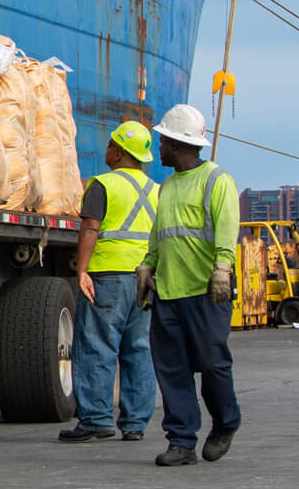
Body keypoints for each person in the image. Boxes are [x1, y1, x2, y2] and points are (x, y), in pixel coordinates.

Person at [135, 104, 241, 467]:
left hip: (207, 292)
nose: (158, 148)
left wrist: (223, 269)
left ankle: (226, 423)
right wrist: (148, 266)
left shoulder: (216, 180)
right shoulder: (167, 187)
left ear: (176, 144)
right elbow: (159, 235)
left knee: (213, 365)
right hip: (168, 294)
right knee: (173, 371)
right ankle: (181, 442)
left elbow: (227, 227)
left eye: (162, 141)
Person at [59, 121, 159, 443]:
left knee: (96, 347)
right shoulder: (157, 190)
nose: (106, 150)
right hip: (144, 277)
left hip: (108, 276)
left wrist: (82, 271)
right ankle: (135, 424)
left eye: (109, 145)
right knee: (139, 349)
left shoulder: (103, 185)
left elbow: (90, 228)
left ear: (117, 151)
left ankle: (97, 419)